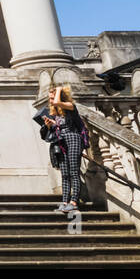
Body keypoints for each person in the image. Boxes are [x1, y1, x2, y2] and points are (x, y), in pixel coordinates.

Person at [40, 84, 88, 213]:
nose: (51, 101)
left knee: (74, 171)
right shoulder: (55, 114)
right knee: (65, 173)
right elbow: (57, 128)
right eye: (50, 98)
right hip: (61, 141)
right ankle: (65, 201)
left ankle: (74, 202)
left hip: (73, 139)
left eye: (52, 98)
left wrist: (59, 89)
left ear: (60, 97)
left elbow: (57, 102)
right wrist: (50, 125)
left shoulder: (71, 107)